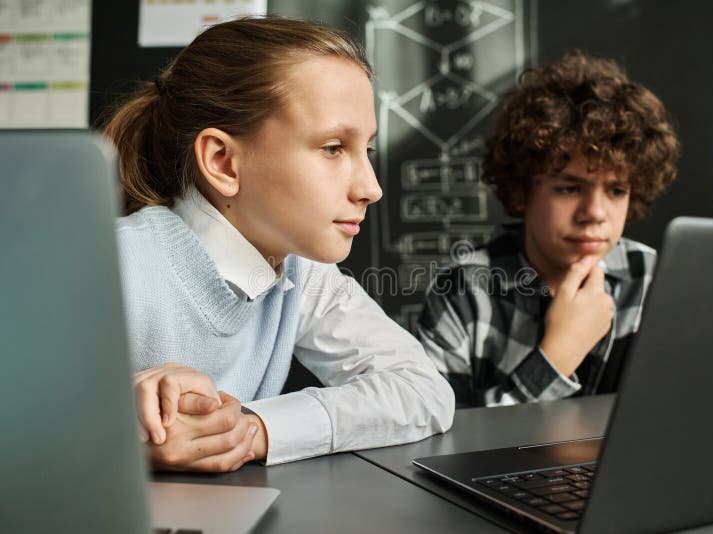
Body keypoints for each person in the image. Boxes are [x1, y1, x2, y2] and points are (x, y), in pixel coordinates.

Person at [103, 15, 454, 471]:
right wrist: (114, 422)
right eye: (332, 148)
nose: (370, 188)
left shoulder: (301, 273)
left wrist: (249, 430)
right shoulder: (109, 264)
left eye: (365, 149)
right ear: (223, 162)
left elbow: (422, 389)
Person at [415, 50, 679, 408]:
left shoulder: (653, 279)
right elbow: (445, 450)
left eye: (616, 190)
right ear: (523, 191)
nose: (595, 213)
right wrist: (554, 359)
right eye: (569, 188)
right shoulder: (462, 293)